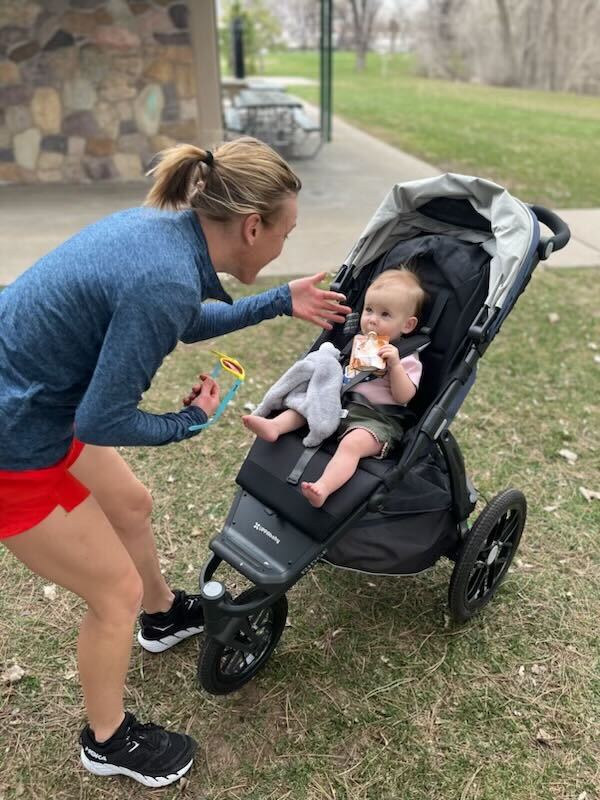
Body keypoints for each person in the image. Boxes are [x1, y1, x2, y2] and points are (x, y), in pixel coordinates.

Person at [0, 136, 351, 788]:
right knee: (113, 593)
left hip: (35, 397)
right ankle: (106, 741)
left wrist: (280, 300)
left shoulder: (168, 230)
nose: (283, 248)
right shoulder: (160, 275)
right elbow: (101, 421)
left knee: (131, 504)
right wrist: (187, 422)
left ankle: (161, 619)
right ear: (251, 226)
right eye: (285, 233)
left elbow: (186, 322)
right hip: (14, 439)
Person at [242, 268, 426, 508]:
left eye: (385, 314)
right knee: (307, 406)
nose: (372, 319)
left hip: (376, 421)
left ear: (408, 325)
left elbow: (404, 396)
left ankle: (323, 487)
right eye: (369, 310)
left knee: (352, 445)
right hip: (341, 405)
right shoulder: (356, 342)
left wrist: (394, 366)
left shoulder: (407, 359)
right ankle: (274, 426)